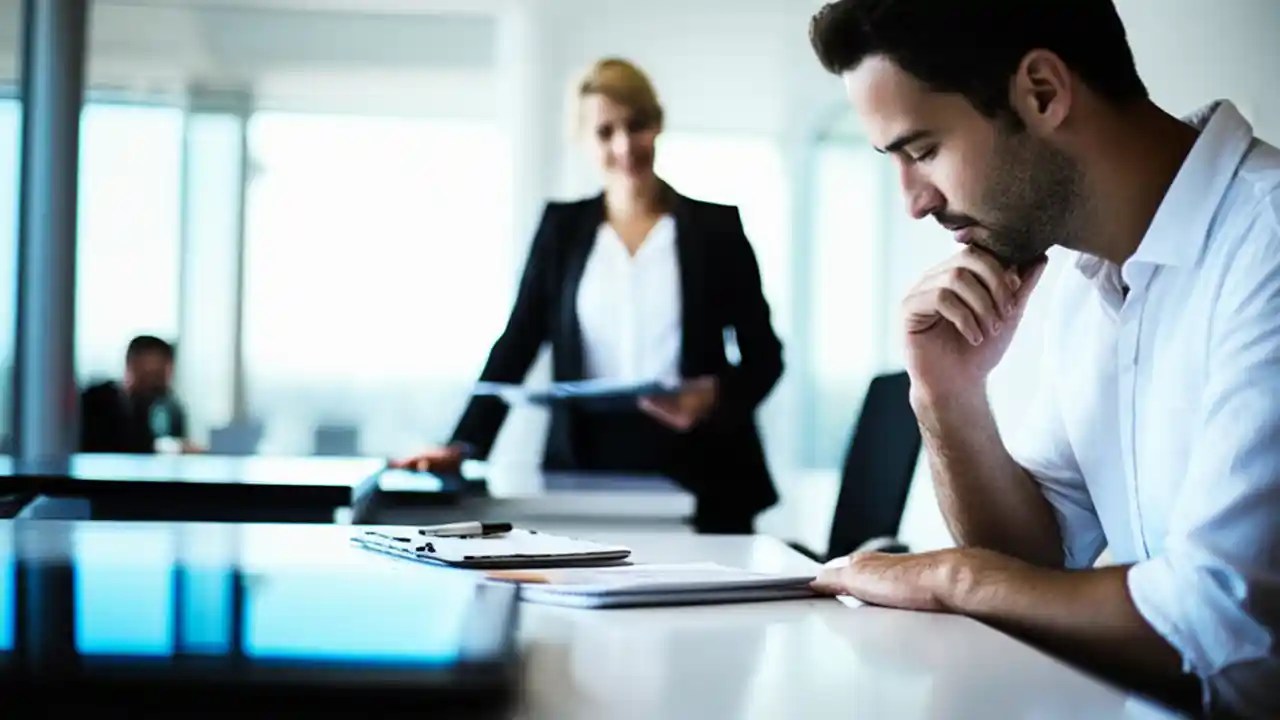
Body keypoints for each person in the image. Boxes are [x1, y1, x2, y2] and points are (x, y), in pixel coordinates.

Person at [806, 1, 1279, 717]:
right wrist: (947, 395)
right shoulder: (1091, 276)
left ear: (1043, 93)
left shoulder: (1266, 247)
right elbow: (1038, 562)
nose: (914, 201)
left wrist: (949, 579)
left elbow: (1219, 629)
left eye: (923, 149)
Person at [392, 58, 784, 534]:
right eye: (605, 131)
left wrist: (713, 397)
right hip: (585, 466)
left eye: (637, 125)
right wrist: (464, 445)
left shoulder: (717, 230)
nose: (624, 145)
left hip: (703, 462)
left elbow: (766, 357)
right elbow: (519, 340)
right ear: (583, 140)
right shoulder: (562, 230)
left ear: (657, 124)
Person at [80, 335, 192, 454]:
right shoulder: (97, 401)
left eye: (161, 376)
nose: (156, 384)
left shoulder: (170, 408)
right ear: (131, 366)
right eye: (151, 374)